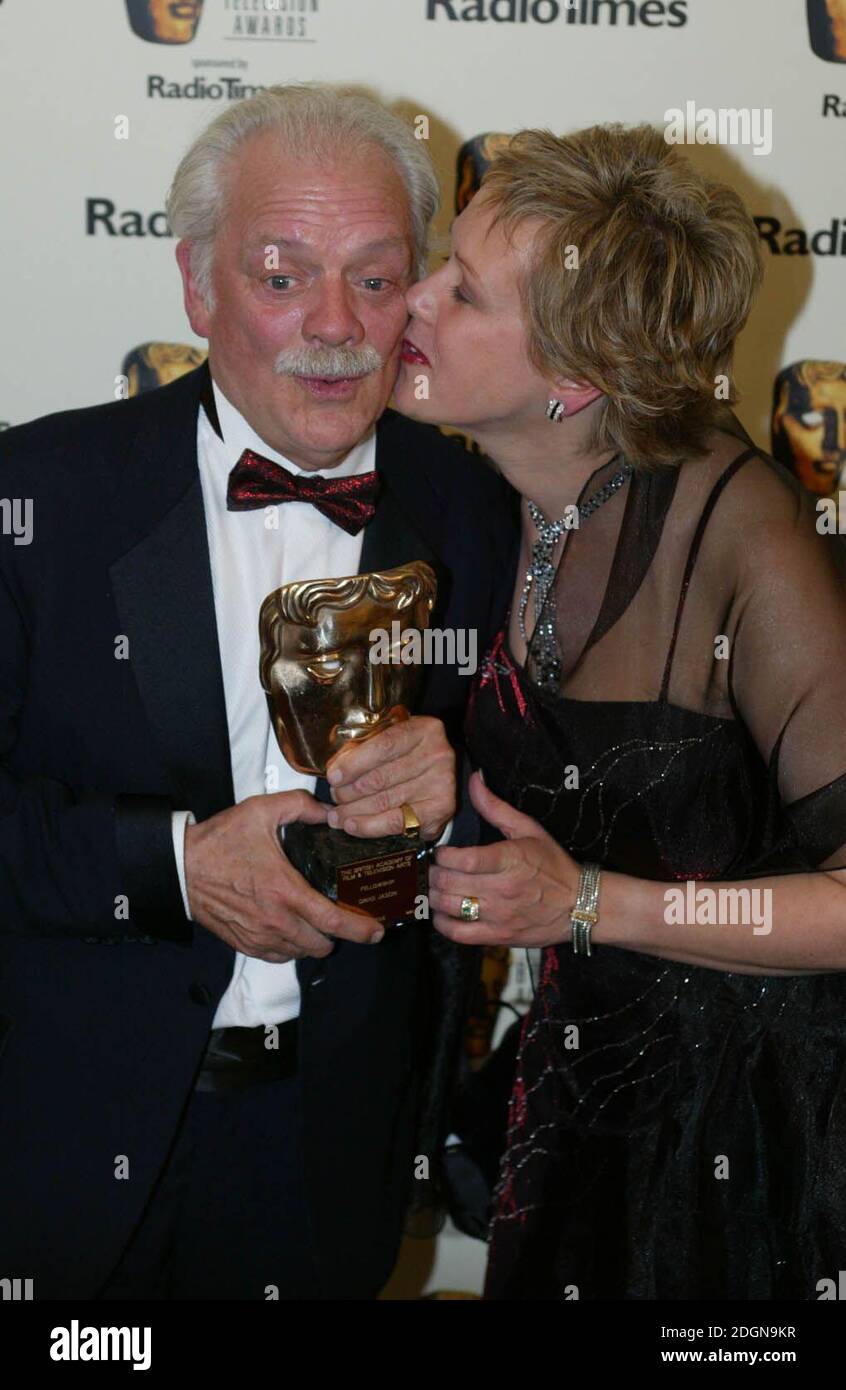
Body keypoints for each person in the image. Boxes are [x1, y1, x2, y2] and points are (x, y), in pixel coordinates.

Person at [0, 84, 517, 1300]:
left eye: (376, 279)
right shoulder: (39, 499)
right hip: (61, 1146)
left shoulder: (479, 511)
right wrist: (175, 865)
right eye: (282, 275)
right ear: (196, 284)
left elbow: (552, 828)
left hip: (325, 1154)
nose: (333, 325)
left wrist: (457, 797)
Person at [393, 122, 846, 1300]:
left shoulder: (743, 538)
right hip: (582, 1090)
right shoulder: (485, 497)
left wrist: (595, 903)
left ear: (574, 378)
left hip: (760, 1127)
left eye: (463, 292)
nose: (414, 300)